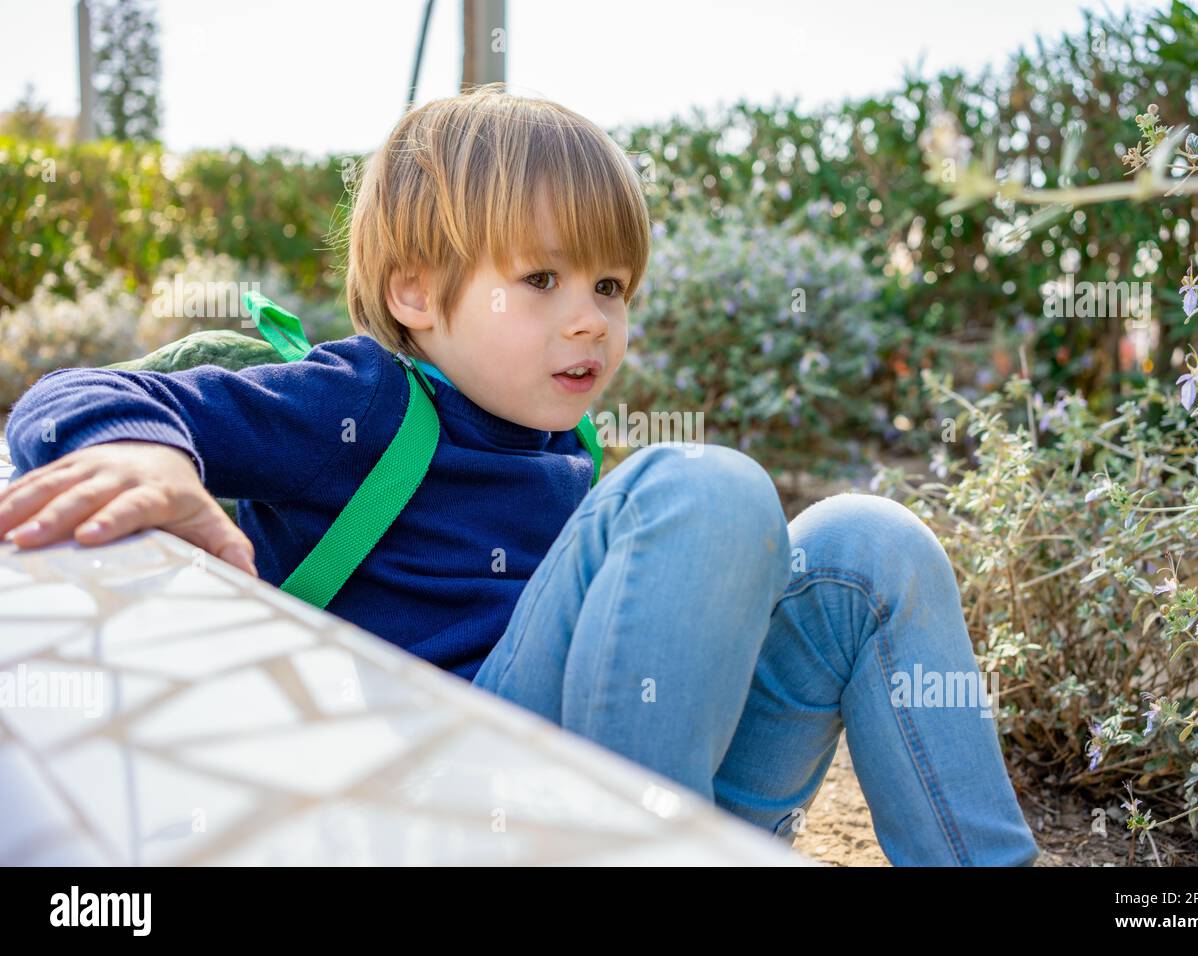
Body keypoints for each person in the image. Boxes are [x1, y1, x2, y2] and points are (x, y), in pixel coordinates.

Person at [0, 84, 1038, 866]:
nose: (589, 317)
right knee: (709, 485)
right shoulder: (360, 399)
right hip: (460, 809)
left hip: (644, 795)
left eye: (610, 284)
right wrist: (144, 450)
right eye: (539, 279)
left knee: (869, 542)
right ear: (414, 290)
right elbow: (66, 389)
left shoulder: (560, 449)